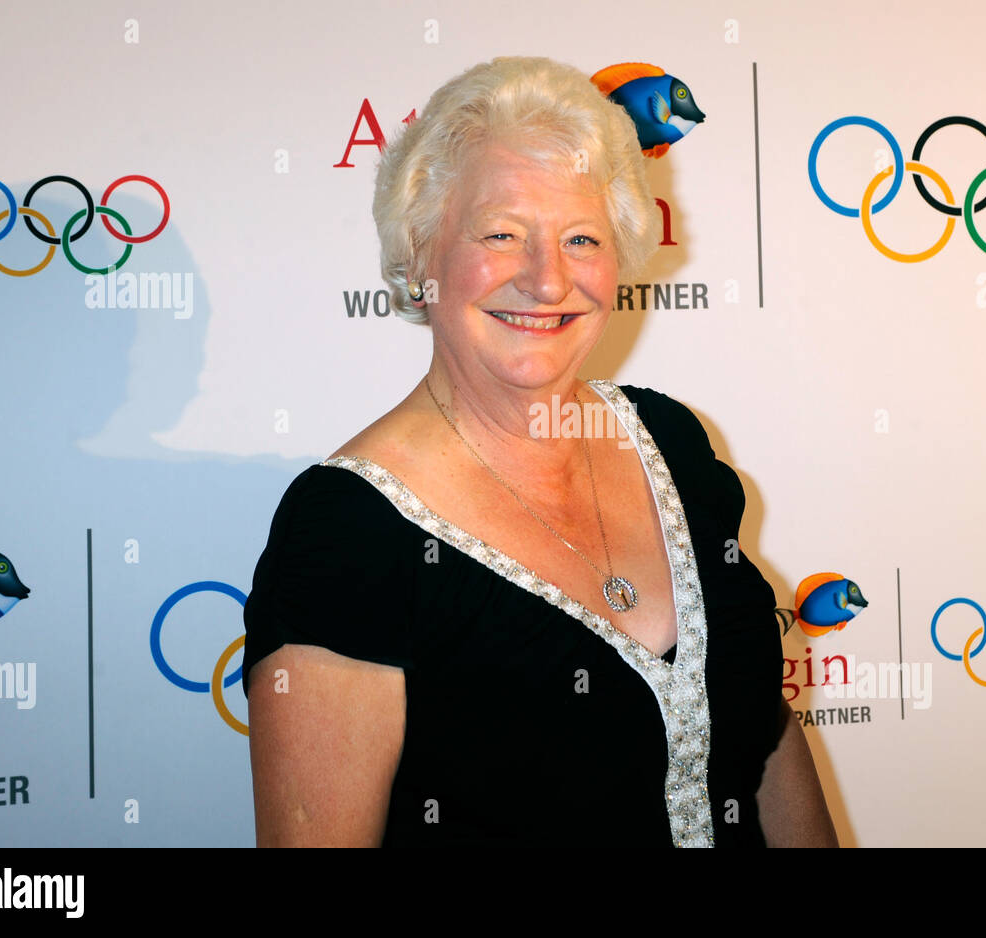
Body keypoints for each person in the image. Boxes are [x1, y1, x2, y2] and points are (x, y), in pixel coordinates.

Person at [241, 56, 837, 847]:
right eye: (502, 234)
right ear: (422, 257)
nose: (546, 278)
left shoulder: (678, 448)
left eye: (580, 237)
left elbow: (764, 740)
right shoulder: (346, 535)